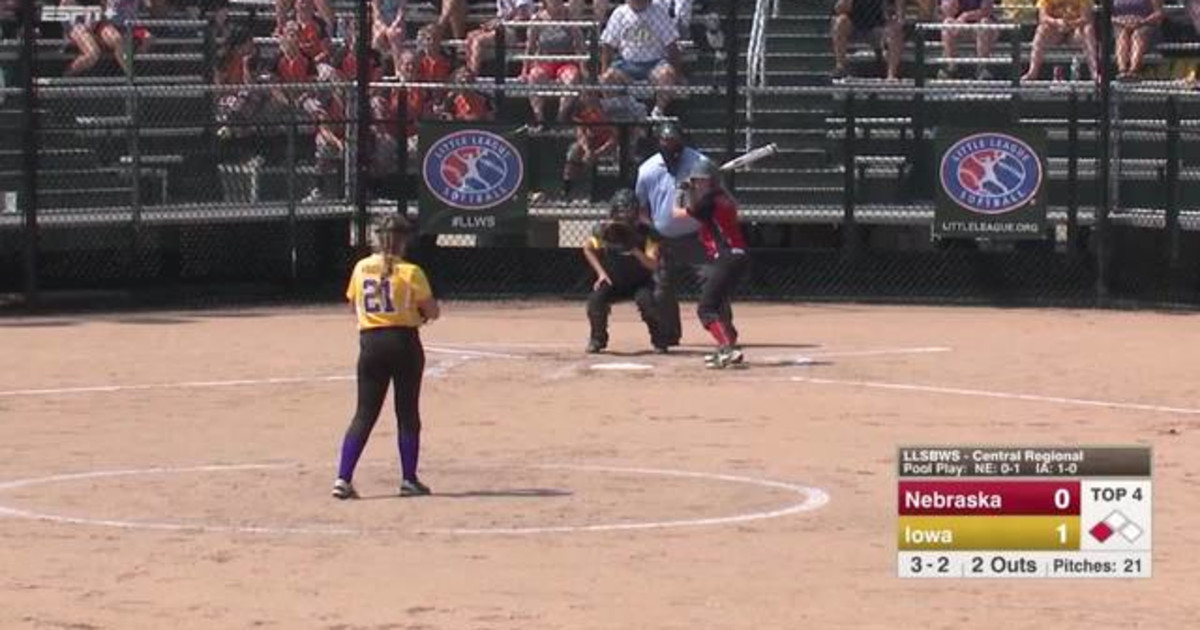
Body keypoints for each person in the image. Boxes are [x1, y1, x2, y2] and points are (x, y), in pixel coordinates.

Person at [334, 215, 440, 500]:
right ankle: (408, 479)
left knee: (364, 413)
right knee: (407, 413)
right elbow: (432, 311)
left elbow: (353, 305)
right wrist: (418, 314)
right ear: (405, 240)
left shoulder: (361, 267)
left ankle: (343, 478)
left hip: (371, 343)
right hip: (404, 342)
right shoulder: (411, 271)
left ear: (377, 238)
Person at [635, 122, 708, 350]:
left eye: (674, 142)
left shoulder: (699, 163)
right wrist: (652, 229)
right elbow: (641, 208)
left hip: (696, 236)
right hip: (663, 238)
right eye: (665, 142)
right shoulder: (648, 169)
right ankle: (668, 335)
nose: (670, 146)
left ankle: (723, 330)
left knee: (711, 281)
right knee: (662, 289)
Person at [670, 157, 748, 369]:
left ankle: (728, 348)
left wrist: (680, 191)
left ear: (712, 181)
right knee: (718, 304)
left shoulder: (709, 203)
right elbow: (702, 206)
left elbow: (676, 213)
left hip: (727, 258)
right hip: (738, 257)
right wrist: (693, 189)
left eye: (701, 181)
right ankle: (728, 345)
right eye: (695, 181)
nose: (697, 184)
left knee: (706, 308)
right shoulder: (724, 198)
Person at [583, 190, 665, 353]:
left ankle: (659, 340)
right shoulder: (605, 231)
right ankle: (598, 339)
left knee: (647, 303)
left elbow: (653, 265)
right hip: (613, 280)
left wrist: (634, 249)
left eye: (628, 211)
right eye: (620, 211)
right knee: (595, 301)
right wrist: (601, 273)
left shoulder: (647, 234)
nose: (623, 216)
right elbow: (588, 248)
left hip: (640, 282)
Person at [599, 0, 682, 118]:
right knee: (607, 78)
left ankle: (658, 111)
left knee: (667, 75)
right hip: (626, 64)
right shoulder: (620, 13)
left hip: (654, 64)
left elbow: (672, 45)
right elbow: (608, 45)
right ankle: (621, 111)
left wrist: (677, 74)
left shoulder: (658, 12)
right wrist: (604, 70)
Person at [525, 0, 585, 125]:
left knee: (572, 77)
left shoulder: (569, 18)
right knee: (534, 76)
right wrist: (524, 70)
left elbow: (580, 45)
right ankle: (539, 118)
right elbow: (530, 47)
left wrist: (583, 68)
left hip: (565, 62)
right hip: (545, 62)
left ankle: (561, 117)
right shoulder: (538, 19)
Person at [1021, 0, 1099, 82]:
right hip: (1055, 31)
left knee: (1088, 29)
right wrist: (1057, 23)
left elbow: (1086, 18)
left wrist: (1070, 24)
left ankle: (1095, 73)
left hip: (1075, 31)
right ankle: (1032, 72)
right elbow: (1043, 17)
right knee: (1041, 29)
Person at [831, 0, 903, 81]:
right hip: (854, 26)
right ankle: (841, 67)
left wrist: (897, 16)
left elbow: (895, 9)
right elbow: (838, 9)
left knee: (895, 30)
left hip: (879, 26)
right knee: (841, 22)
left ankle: (891, 75)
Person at [939, 0, 999, 80]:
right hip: (961, 26)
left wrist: (966, 16)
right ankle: (951, 67)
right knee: (948, 23)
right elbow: (947, 12)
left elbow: (986, 11)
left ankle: (982, 67)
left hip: (981, 26)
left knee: (984, 24)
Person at [1114, 0, 1164, 79]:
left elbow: (1158, 14)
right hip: (1120, 25)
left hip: (1145, 25)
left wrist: (1142, 22)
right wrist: (1120, 21)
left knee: (1138, 34)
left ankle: (1133, 71)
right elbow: (1107, 15)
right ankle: (1122, 70)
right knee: (1122, 35)